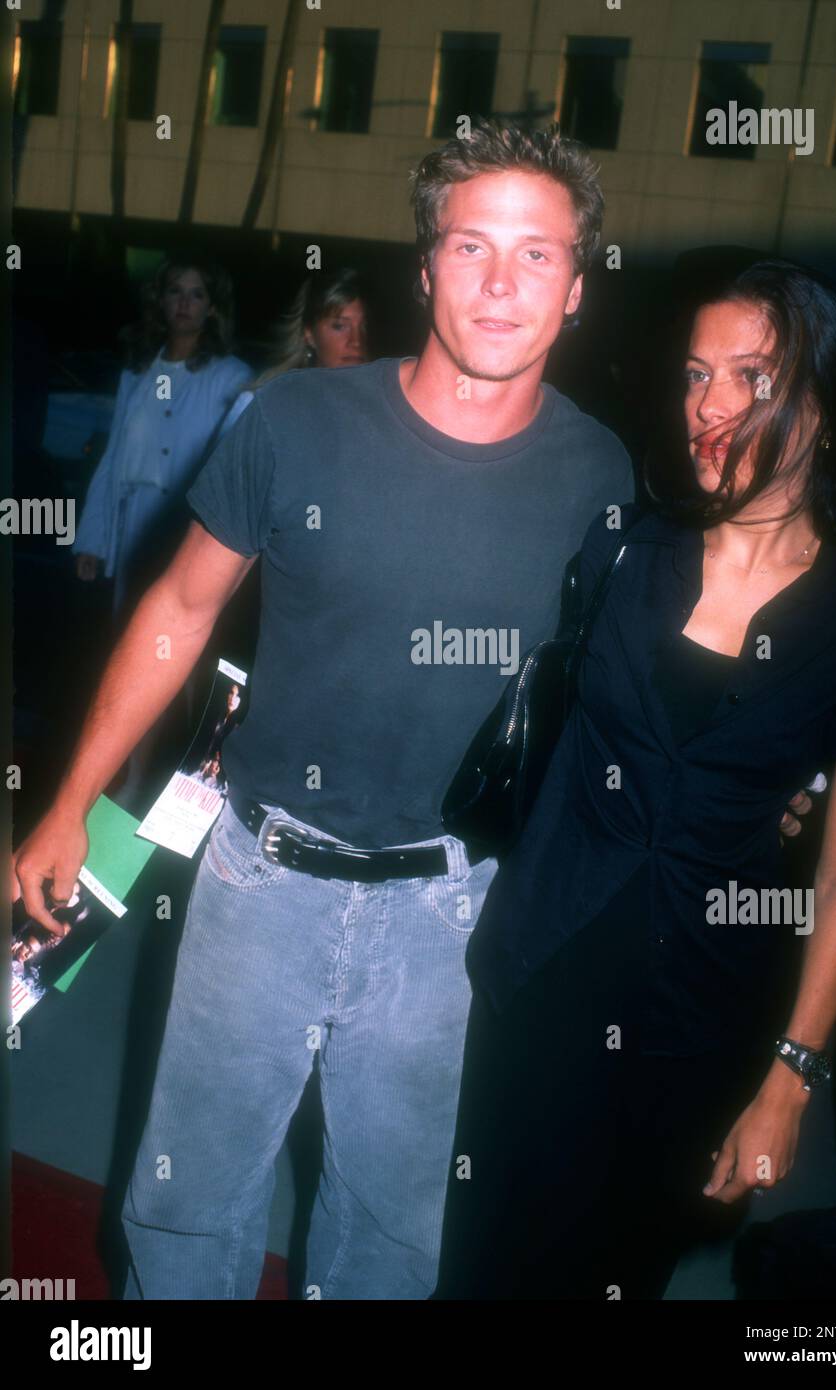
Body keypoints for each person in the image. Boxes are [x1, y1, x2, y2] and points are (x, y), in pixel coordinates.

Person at [12, 119, 638, 1299]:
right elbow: (177, 610)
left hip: (449, 913)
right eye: (470, 246)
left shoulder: (600, 475)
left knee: (391, 1236)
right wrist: (69, 802)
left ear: (574, 289)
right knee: (185, 1205)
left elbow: (607, 689)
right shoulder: (295, 422)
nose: (498, 282)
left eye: (536, 254)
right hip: (259, 881)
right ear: (425, 266)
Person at [433, 260, 836, 1300]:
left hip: (700, 1019)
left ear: (822, 404)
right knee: (484, 1266)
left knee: (619, 1272)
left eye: (750, 376)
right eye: (697, 374)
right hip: (540, 974)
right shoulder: (624, 548)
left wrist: (791, 1077)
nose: (708, 402)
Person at [72, 255, 251, 615]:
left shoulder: (232, 378)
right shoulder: (136, 374)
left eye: (197, 294)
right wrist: (92, 539)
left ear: (212, 307)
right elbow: (112, 458)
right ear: (160, 300)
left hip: (189, 528)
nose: (184, 303)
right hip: (133, 526)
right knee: (128, 624)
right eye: (175, 292)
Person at [220, 267, 372, 434]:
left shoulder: (378, 409)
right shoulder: (264, 406)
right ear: (309, 335)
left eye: (363, 327)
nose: (356, 341)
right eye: (339, 326)